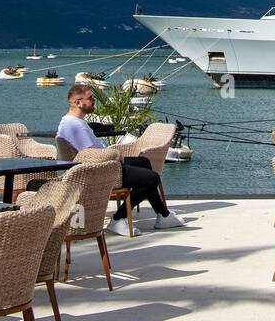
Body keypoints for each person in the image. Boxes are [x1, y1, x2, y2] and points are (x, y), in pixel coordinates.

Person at [57, 84, 187, 236]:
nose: (94, 101)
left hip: (101, 165)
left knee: (144, 163)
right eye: (90, 98)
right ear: (78, 102)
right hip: (101, 170)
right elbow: (91, 154)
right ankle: (119, 218)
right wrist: (115, 155)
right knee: (152, 178)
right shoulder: (75, 126)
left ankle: (163, 215)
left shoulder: (70, 122)